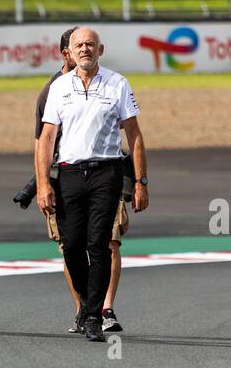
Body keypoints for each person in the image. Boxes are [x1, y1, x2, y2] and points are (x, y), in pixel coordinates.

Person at [36, 27, 149, 342]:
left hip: (106, 173)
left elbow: (135, 135)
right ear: (69, 53)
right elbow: (46, 138)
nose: (84, 49)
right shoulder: (59, 87)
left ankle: (93, 316)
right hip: (70, 174)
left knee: (99, 244)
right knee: (71, 245)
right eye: (78, 45)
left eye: (90, 44)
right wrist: (43, 183)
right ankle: (89, 305)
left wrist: (141, 181)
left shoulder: (118, 83)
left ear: (101, 50)